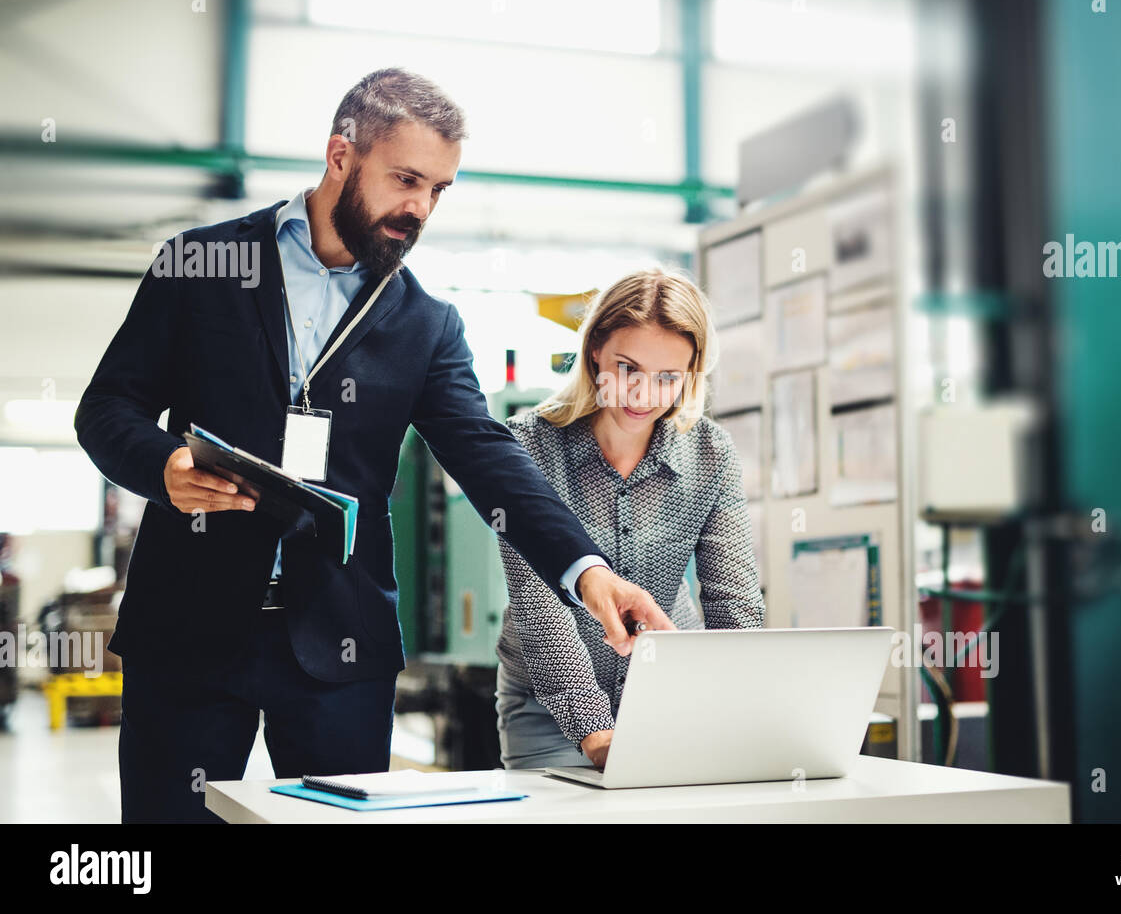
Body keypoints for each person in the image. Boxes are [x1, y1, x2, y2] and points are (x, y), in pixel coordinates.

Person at [74, 67, 670, 823]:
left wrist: (588, 573)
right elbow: (106, 408)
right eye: (406, 179)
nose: (419, 208)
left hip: (339, 643)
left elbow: (490, 460)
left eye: (438, 190)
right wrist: (162, 467)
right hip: (189, 628)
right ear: (340, 156)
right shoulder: (199, 265)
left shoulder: (426, 323)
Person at [494, 268, 765, 770]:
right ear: (595, 350)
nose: (642, 394)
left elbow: (734, 598)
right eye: (627, 368)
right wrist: (596, 736)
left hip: (669, 697)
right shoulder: (528, 445)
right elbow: (540, 609)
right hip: (549, 707)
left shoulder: (710, 453)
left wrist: (739, 709)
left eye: (667, 377)